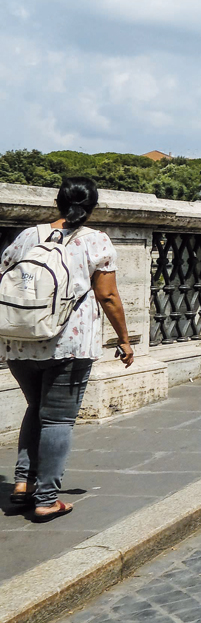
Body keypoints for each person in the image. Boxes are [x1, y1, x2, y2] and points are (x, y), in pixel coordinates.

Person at [1, 178, 134, 523]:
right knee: (58, 418)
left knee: (36, 408)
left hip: (19, 339)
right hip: (68, 343)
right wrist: (124, 339)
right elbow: (107, 296)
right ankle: (46, 498)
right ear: (92, 208)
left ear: (57, 202)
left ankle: (22, 484)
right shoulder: (96, 241)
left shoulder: (28, 236)